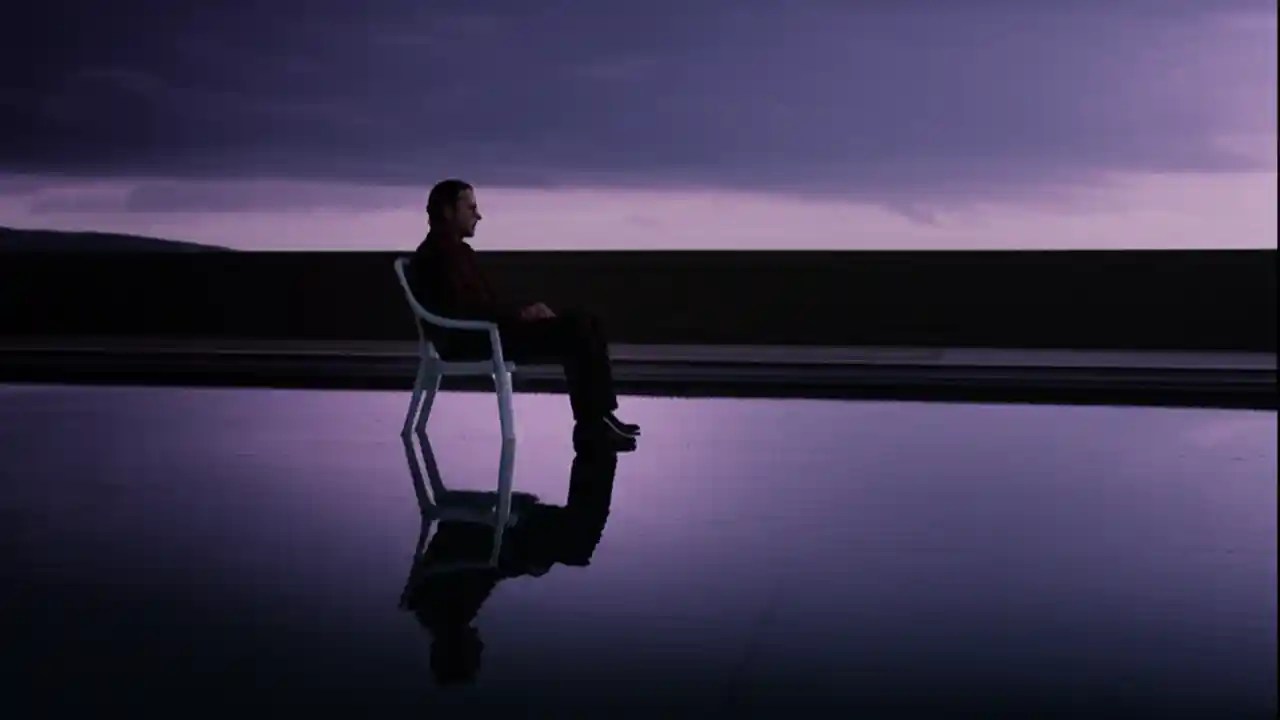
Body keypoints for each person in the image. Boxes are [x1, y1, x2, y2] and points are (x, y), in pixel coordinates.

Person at [409, 178, 640, 450]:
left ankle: (601, 416)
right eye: (470, 208)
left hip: (489, 333)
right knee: (577, 327)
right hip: (475, 341)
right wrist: (521, 314)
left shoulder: (458, 253)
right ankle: (592, 425)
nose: (478, 215)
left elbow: (481, 304)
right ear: (448, 211)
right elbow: (465, 310)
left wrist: (522, 313)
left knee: (587, 321)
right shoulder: (436, 257)